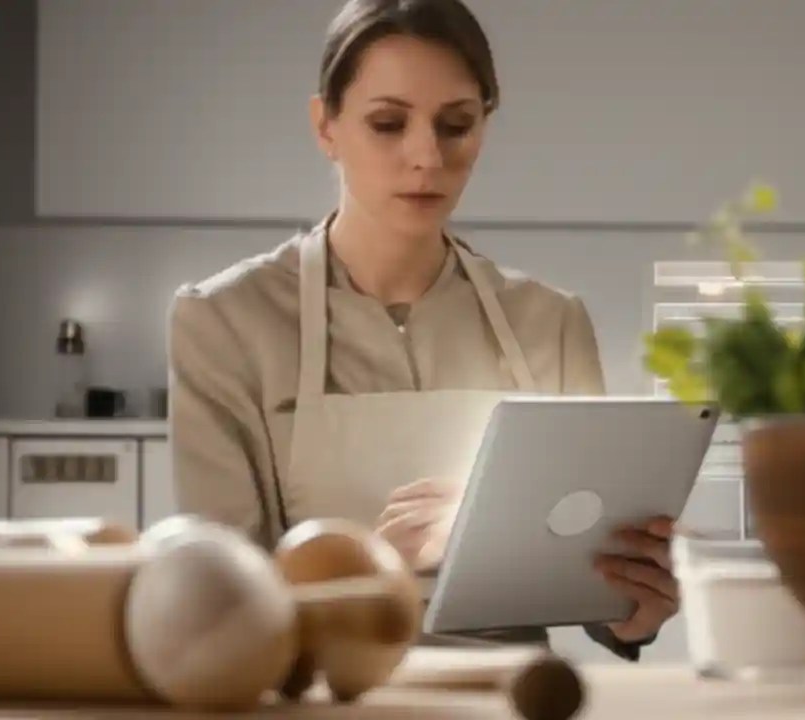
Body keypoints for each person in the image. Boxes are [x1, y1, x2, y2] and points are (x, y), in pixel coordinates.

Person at [166, 0, 677, 660]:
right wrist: (393, 558)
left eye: (456, 125)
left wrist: (635, 607)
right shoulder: (224, 322)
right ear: (325, 126)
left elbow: (595, 591)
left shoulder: (550, 323)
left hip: (512, 700)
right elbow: (222, 602)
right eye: (387, 124)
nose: (426, 156)